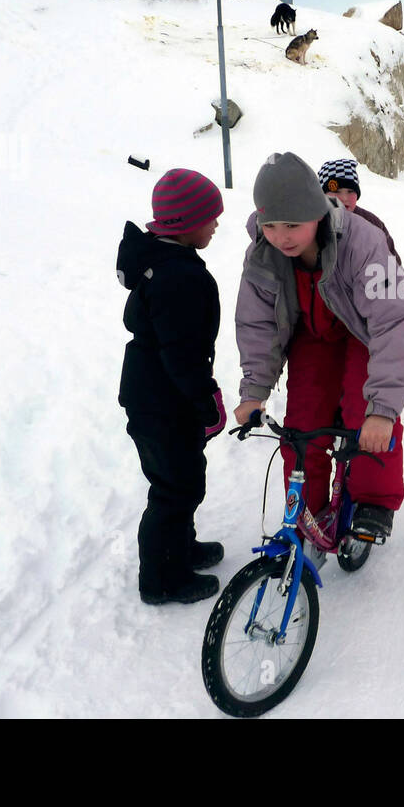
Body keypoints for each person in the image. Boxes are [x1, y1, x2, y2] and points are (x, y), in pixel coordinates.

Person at [233, 152, 404, 543]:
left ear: (317, 214)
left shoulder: (363, 243)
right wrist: (254, 391)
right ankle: (305, 508)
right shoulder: (263, 252)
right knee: (301, 426)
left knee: (366, 417)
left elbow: (394, 321)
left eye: (292, 224)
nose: (282, 236)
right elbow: (258, 324)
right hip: (315, 334)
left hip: (366, 333)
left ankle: (374, 500)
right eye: (270, 225)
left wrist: (384, 410)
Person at [117, 168, 227, 605]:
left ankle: (181, 547)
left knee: (182, 477)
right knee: (174, 488)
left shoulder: (164, 263)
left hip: (156, 397)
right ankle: (163, 579)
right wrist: (204, 401)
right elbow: (181, 352)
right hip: (164, 401)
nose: (217, 224)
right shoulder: (176, 277)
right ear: (184, 226)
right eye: (210, 218)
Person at [317, 157, 400, 262]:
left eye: (350, 191)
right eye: (337, 191)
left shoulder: (372, 224)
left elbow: (392, 264)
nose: (344, 198)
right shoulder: (313, 223)